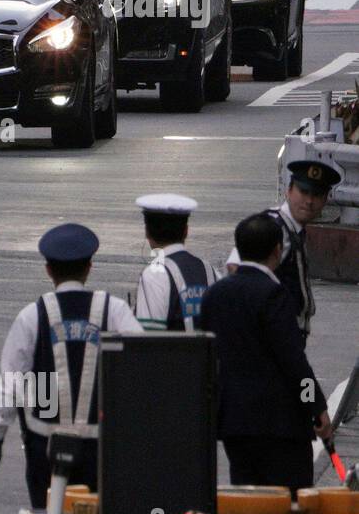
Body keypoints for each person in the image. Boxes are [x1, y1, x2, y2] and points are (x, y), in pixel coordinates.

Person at [0, 224, 143, 508]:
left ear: (48, 270)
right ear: (90, 267)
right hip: (102, 450)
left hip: (44, 449)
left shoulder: (32, 316)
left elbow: (10, 384)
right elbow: (143, 367)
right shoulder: (115, 310)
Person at [199, 213, 332, 493]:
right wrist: (316, 406)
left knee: (249, 504)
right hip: (279, 426)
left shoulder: (214, 295)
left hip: (235, 423)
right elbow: (294, 362)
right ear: (276, 250)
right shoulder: (273, 294)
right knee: (288, 507)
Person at [228, 160, 343, 341]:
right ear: (289, 191)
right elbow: (236, 267)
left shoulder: (293, 228)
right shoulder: (273, 226)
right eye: (303, 192)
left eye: (316, 194)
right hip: (274, 339)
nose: (309, 201)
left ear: (325, 199)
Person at [133, 194, 217, 331]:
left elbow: (147, 337)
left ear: (147, 232)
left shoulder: (154, 274)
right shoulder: (211, 271)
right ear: (186, 231)